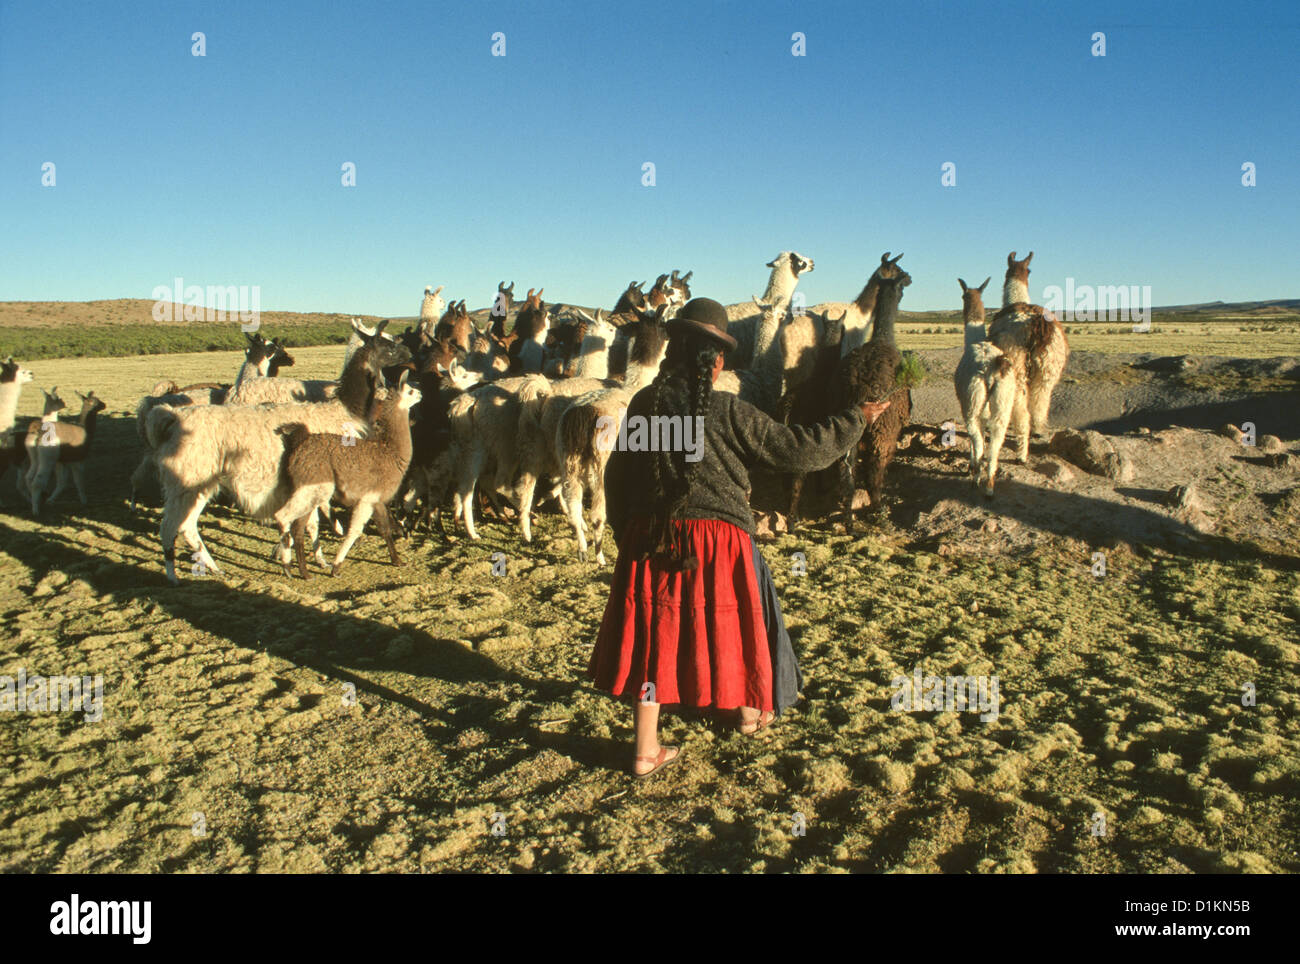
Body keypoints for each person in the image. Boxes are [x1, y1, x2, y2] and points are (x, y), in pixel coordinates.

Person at [589, 297, 892, 776]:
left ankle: (645, 751)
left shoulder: (646, 405)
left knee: (654, 635)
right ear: (719, 362)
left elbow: (619, 477)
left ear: (674, 352)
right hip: (719, 543)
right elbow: (799, 451)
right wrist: (855, 420)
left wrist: (629, 531)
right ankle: (749, 713)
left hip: (653, 536)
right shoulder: (730, 410)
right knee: (735, 625)